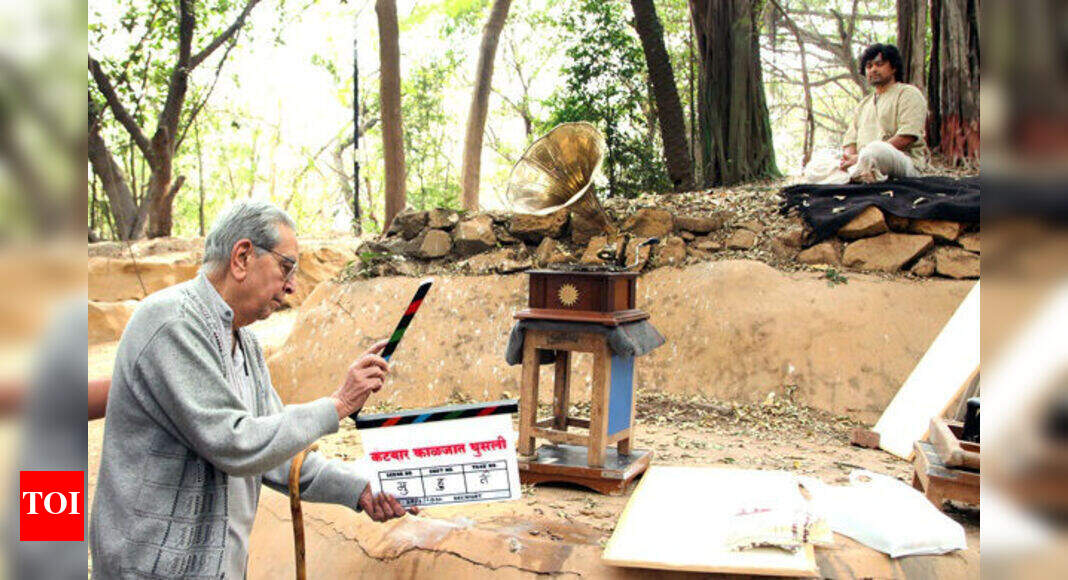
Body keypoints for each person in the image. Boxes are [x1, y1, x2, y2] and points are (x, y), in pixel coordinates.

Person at [90, 200, 415, 578]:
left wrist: (358, 489)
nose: (292, 285)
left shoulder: (245, 344)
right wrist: (338, 403)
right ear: (242, 256)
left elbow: (279, 455)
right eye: (286, 267)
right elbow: (234, 442)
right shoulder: (171, 322)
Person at [839, 43, 930, 181]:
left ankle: (859, 174)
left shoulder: (908, 93)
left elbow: (907, 137)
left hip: (901, 162)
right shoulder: (863, 105)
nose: (873, 69)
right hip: (862, 161)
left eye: (879, 64)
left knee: (875, 150)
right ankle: (859, 173)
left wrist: (861, 157)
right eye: (869, 66)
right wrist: (849, 159)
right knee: (819, 164)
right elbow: (850, 142)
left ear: (893, 67)